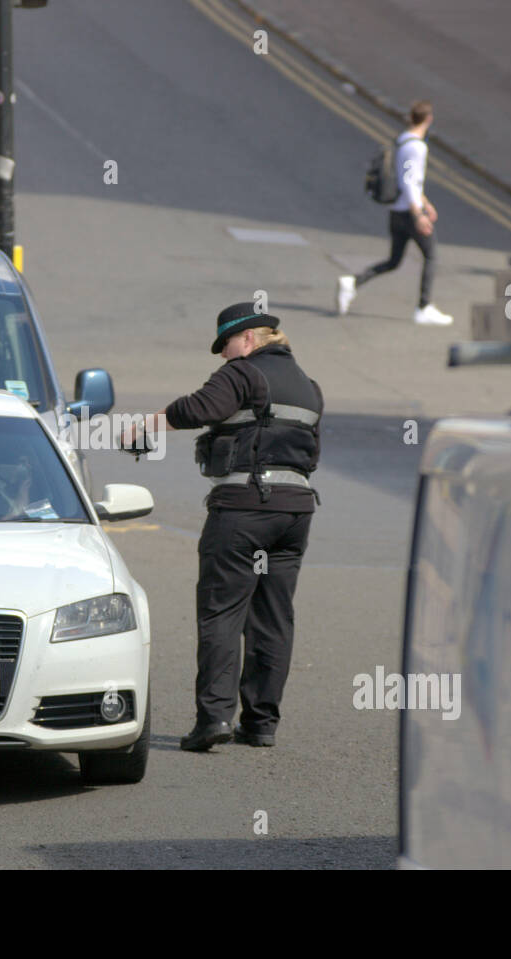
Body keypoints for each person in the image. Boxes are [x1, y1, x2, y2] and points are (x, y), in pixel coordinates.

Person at [122, 302, 323, 751]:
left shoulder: (243, 373)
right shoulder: (310, 388)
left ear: (249, 338)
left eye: (226, 344)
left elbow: (199, 408)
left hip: (243, 511)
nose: (222, 356)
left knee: (222, 611)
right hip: (294, 514)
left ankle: (214, 719)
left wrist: (144, 427)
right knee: (274, 617)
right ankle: (260, 724)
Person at [338, 100, 452, 326]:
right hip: (409, 213)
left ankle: (353, 282)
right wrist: (419, 214)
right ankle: (424, 307)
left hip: (397, 212)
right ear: (428, 120)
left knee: (394, 261)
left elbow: (408, 179)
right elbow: (410, 182)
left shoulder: (403, 140)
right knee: (431, 256)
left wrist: (426, 203)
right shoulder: (417, 147)